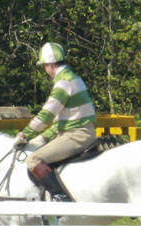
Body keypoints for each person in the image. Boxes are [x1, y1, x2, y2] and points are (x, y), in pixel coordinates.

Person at [15, 42, 98, 201]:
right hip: (80, 130)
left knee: (33, 159)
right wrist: (44, 137)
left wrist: (24, 135)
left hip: (77, 135)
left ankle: (61, 198)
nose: (45, 71)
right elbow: (64, 119)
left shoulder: (63, 83)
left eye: (44, 66)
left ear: (50, 65)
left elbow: (46, 115)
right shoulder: (74, 78)